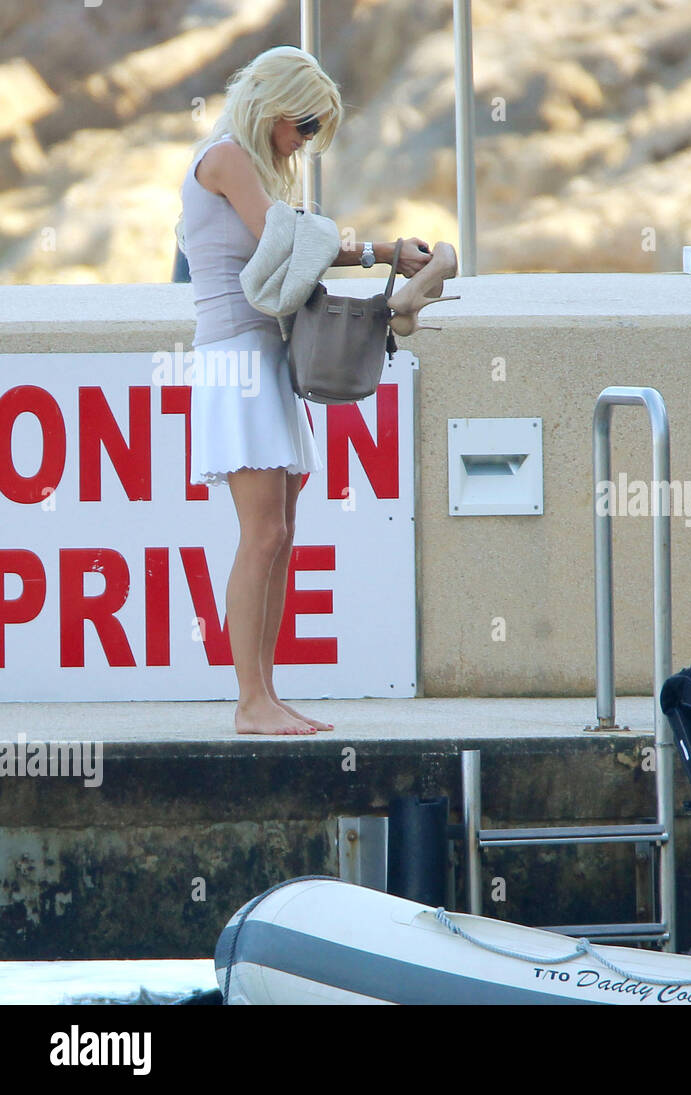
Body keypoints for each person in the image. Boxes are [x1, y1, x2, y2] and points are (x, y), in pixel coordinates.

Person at [180, 46, 457, 735]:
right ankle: (250, 701)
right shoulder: (225, 158)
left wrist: (385, 254)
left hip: (266, 355)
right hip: (237, 357)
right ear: (274, 105)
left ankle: (264, 693)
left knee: (282, 533)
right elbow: (283, 238)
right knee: (263, 531)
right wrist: (379, 254)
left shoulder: (254, 163)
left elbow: (300, 241)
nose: (305, 143)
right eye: (303, 128)